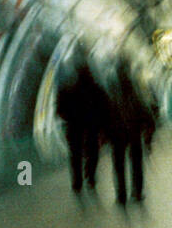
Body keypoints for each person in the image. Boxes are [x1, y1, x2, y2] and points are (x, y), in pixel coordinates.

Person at [55, 49, 111, 197]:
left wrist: (68, 117)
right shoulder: (97, 88)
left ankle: (77, 182)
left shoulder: (67, 89)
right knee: (93, 152)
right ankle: (91, 177)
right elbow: (105, 108)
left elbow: (59, 109)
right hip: (92, 127)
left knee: (75, 155)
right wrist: (104, 127)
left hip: (73, 127)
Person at [104, 59, 155, 205]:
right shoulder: (135, 91)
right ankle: (137, 192)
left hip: (117, 134)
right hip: (134, 132)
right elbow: (146, 111)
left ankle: (121, 195)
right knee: (137, 164)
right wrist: (149, 131)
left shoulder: (112, 93)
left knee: (119, 165)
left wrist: (106, 133)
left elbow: (106, 114)